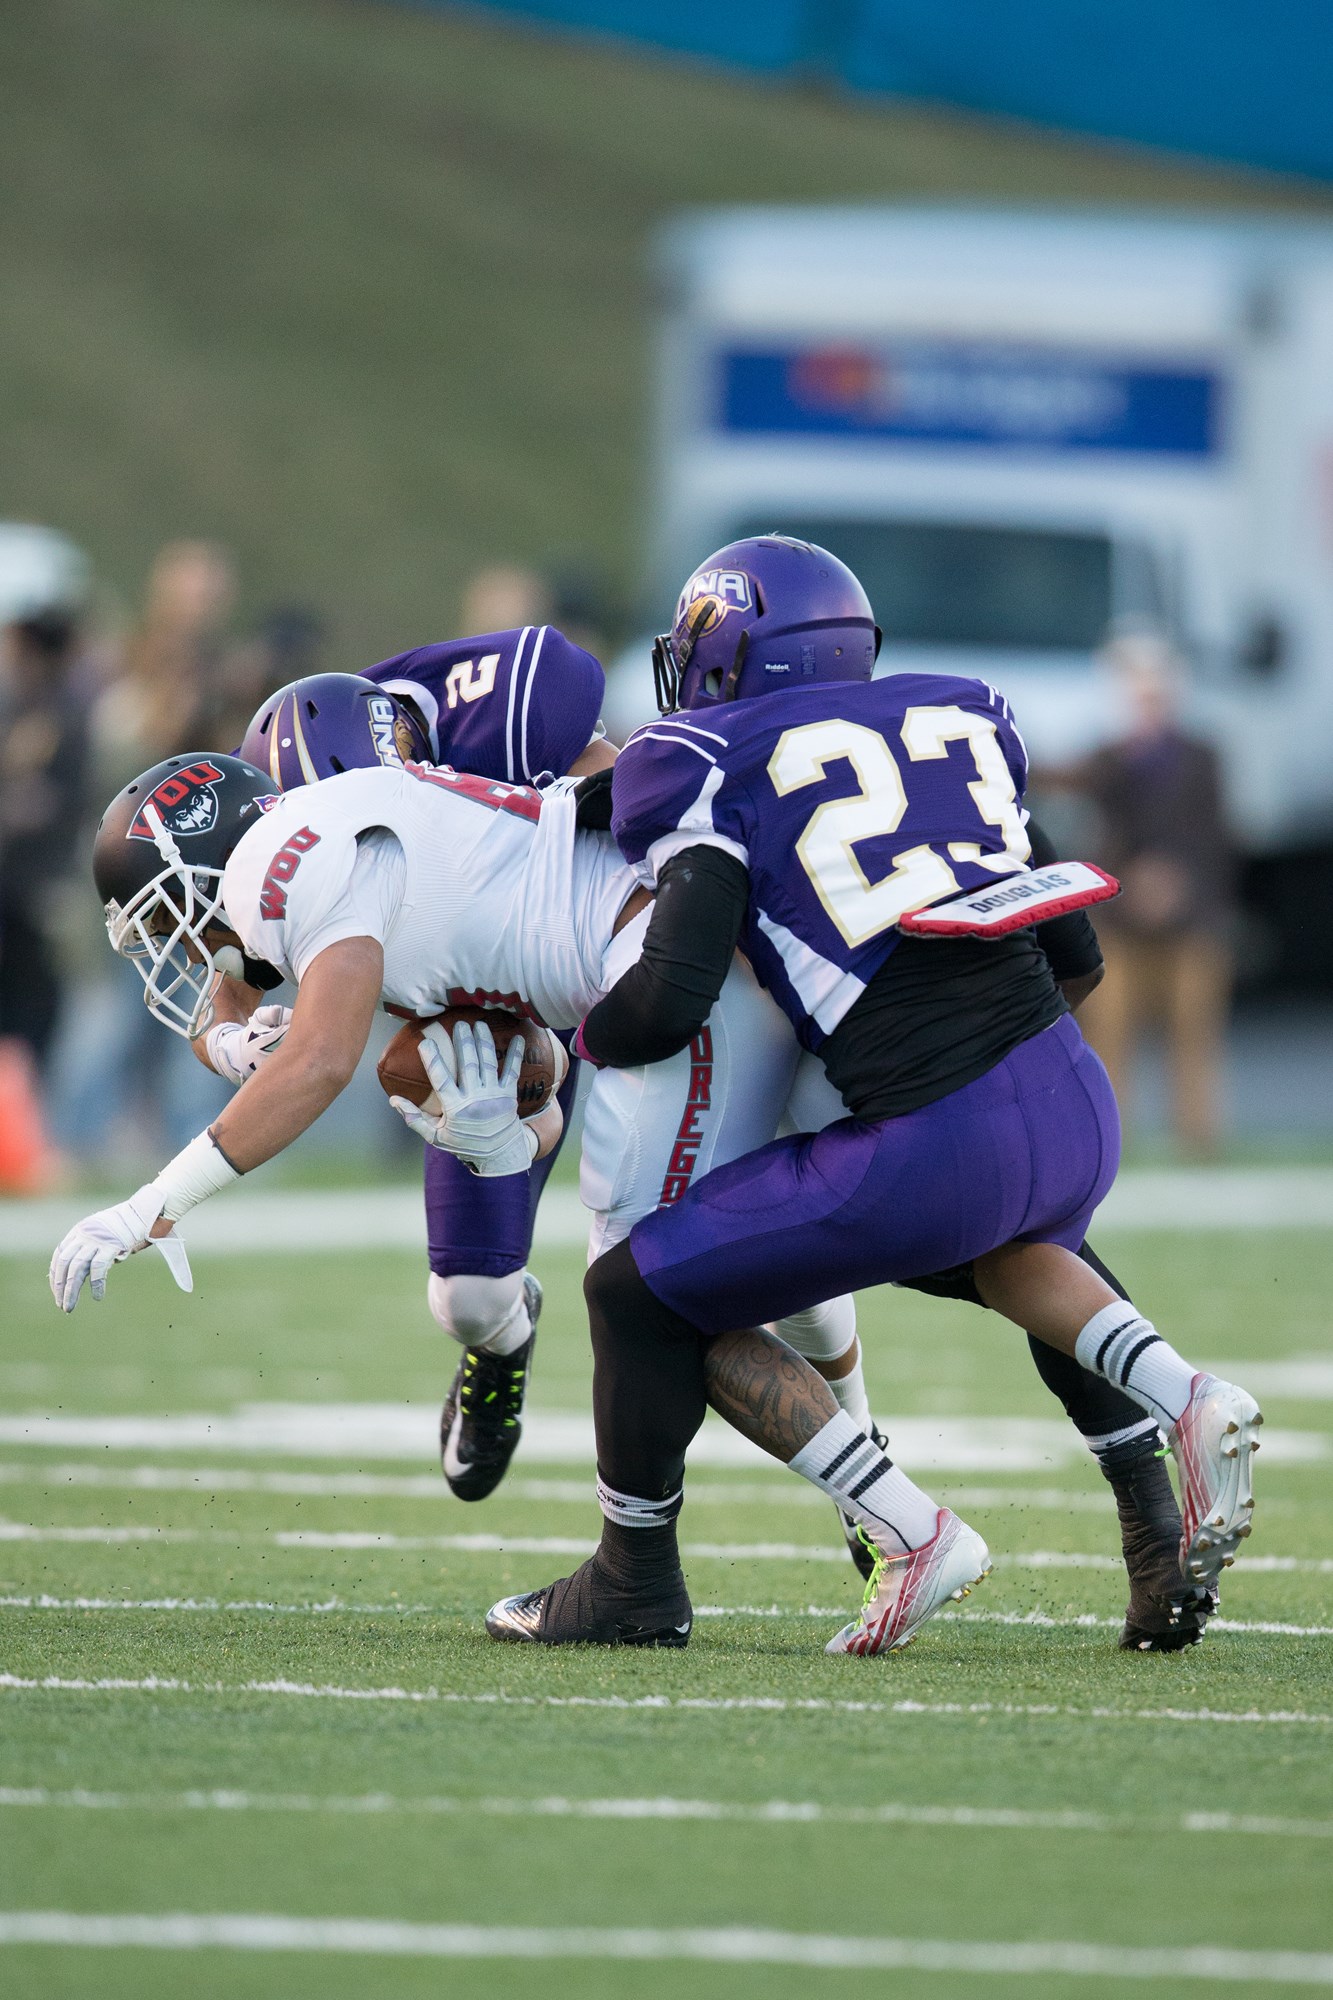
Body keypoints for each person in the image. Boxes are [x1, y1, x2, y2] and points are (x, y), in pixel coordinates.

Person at [480, 537, 1262, 1657]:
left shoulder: (704, 759)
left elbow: (668, 995)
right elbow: (1074, 952)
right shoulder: (953, 724)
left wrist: (560, 1032)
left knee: (636, 1292)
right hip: (1074, 1101)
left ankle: (632, 1578)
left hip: (937, 1144)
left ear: (731, 655)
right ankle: (1159, 1485)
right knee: (1019, 1252)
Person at [1076, 629, 1236, 1156]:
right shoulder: (1106, 759)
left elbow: (1215, 838)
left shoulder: (1201, 756)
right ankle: (1111, 1141)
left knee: (1194, 1034)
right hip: (1119, 922)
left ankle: (1198, 1138)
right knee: (1108, 1037)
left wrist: (1178, 884)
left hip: (1192, 922)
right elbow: (1095, 836)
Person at [0, 526, 93, 1073]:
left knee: (37, 1016)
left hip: (37, 890)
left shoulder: (66, 707)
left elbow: (72, 795)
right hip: (21, 884)